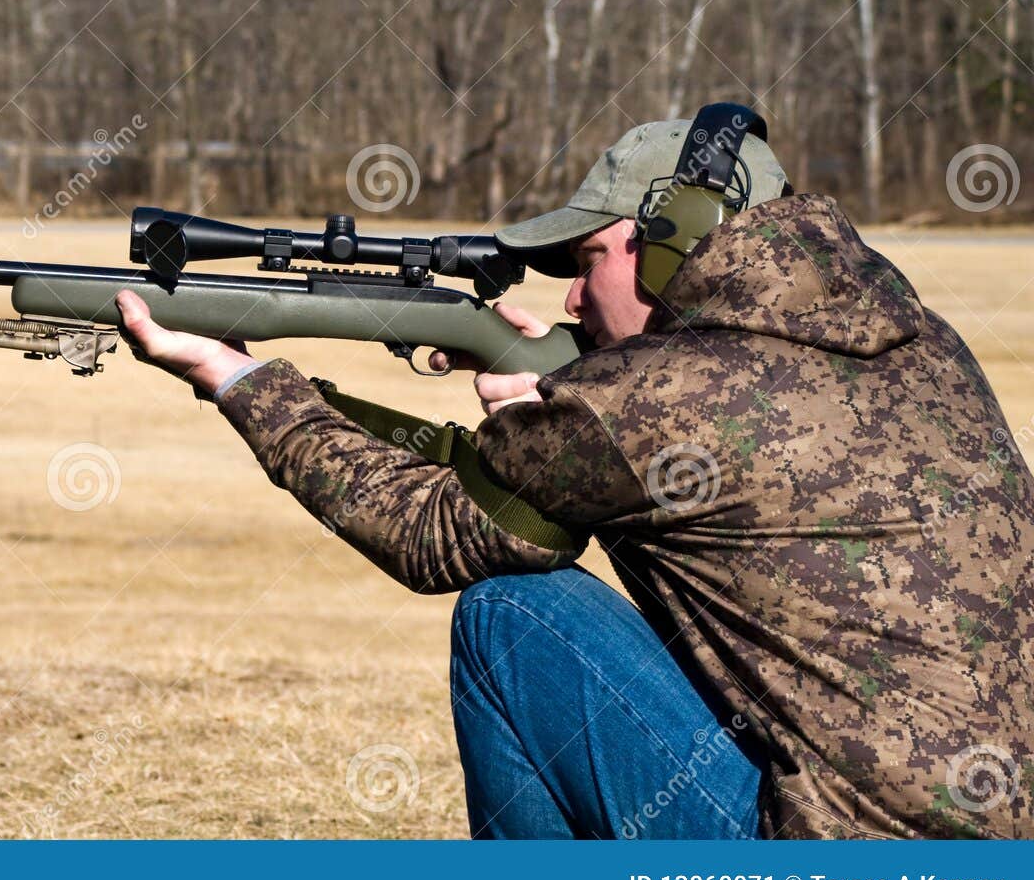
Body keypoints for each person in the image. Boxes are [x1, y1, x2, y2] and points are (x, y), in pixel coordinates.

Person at [114, 116, 1034, 839]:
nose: (569, 296)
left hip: (836, 865)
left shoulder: (657, 399)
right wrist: (572, 395)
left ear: (670, 242)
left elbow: (430, 534)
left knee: (509, 616)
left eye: (590, 260)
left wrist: (237, 379)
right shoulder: (921, 341)